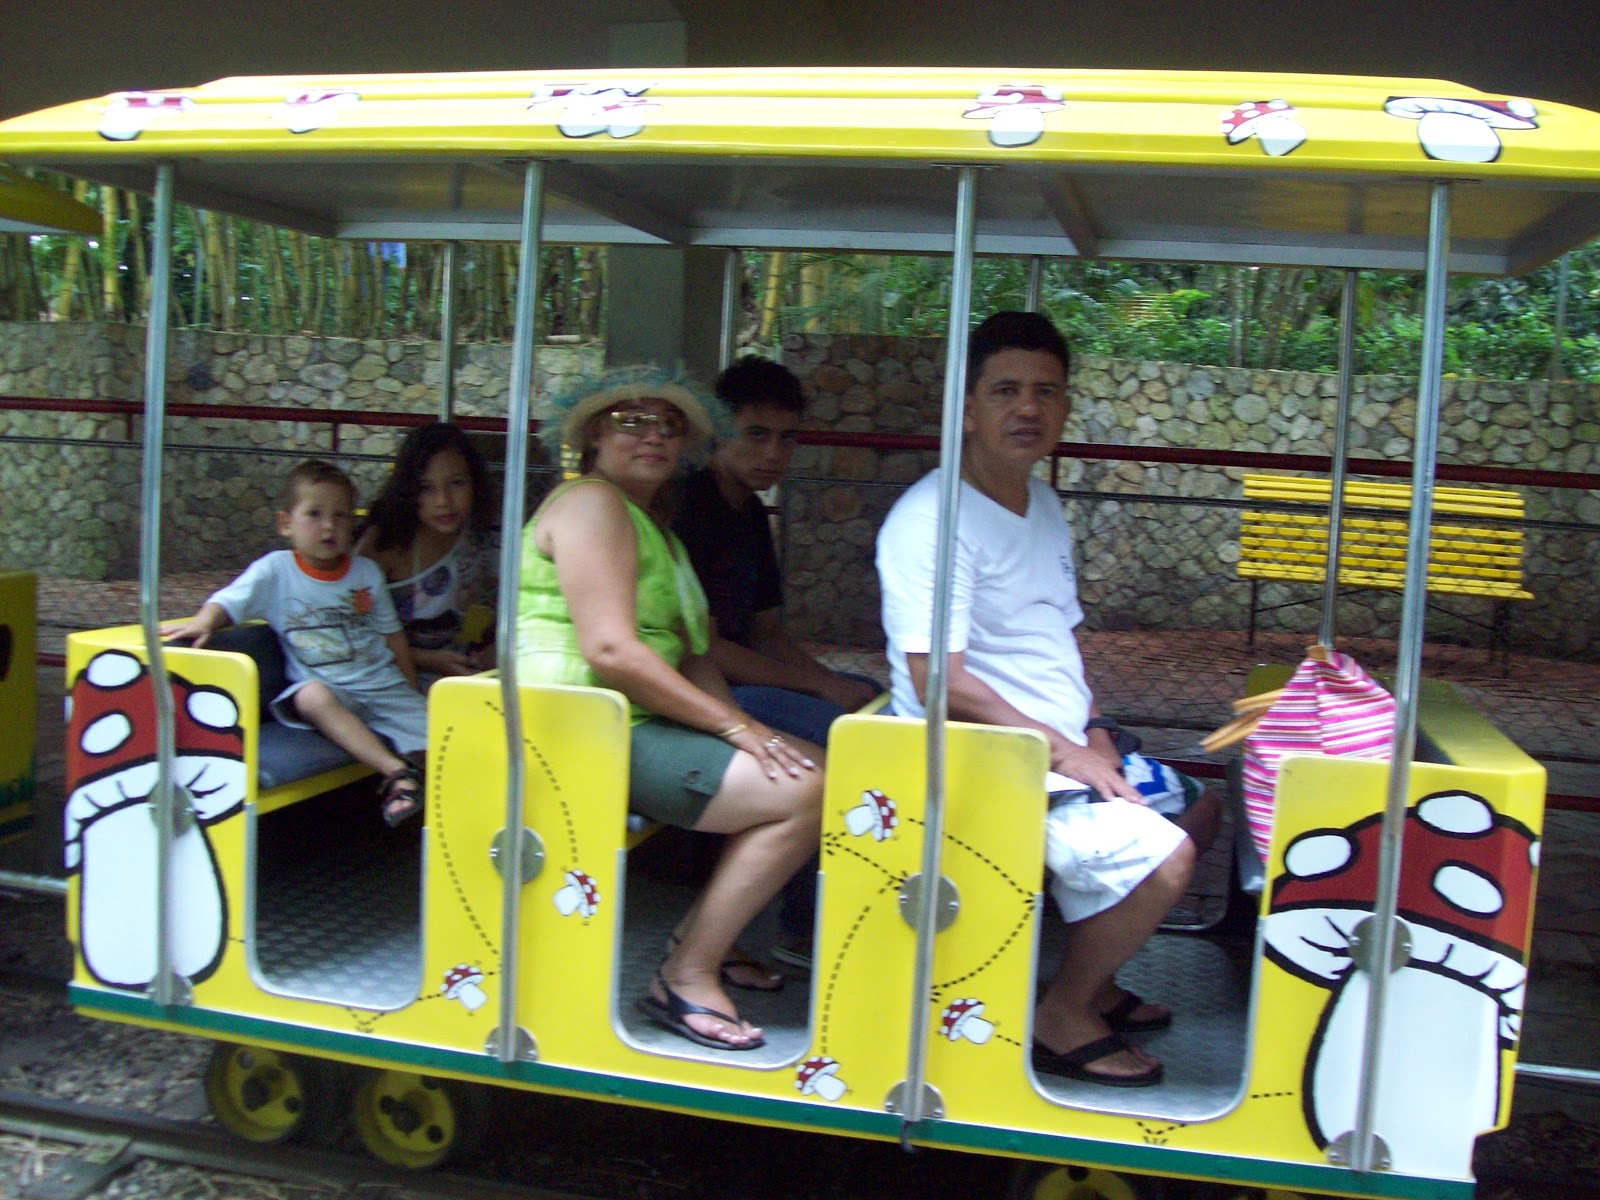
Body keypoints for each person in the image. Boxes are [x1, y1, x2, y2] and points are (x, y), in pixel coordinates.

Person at [876, 311, 1218, 1088]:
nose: (1026, 408)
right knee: (1168, 859)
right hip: (979, 762)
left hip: (1054, 751)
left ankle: (1089, 983)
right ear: (966, 408)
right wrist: (1067, 751)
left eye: (1045, 391)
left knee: (1198, 804)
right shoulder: (933, 520)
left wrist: (1094, 733)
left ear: (1065, 406)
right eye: (1005, 391)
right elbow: (939, 680)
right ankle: (1062, 1013)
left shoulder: (1040, 503)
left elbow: (1056, 645)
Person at [518, 364, 824, 1052]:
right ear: (594, 436)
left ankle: (715, 944)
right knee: (809, 791)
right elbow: (611, 651)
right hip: (576, 729)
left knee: (808, 766)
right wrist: (735, 726)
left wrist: (758, 735)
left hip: (623, 722)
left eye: (668, 425)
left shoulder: (653, 529)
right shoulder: (591, 505)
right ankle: (686, 971)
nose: (652, 436)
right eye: (631, 422)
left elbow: (694, 656)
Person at [672, 356, 880, 974]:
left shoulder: (752, 515)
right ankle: (805, 924)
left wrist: (841, 683)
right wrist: (821, 686)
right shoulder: (693, 507)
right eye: (756, 434)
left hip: (740, 678)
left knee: (870, 700)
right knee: (838, 739)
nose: (773, 453)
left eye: (787, 437)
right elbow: (705, 648)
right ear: (716, 430)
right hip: (701, 692)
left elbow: (767, 632)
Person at [165, 460, 428, 827]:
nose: (329, 526)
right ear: (285, 523)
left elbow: (392, 635)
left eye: (341, 516)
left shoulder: (366, 573)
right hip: (328, 692)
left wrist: (410, 690)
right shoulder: (275, 570)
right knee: (309, 696)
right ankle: (398, 775)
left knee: (448, 737)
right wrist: (204, 622)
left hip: (382, 686)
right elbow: (228, 601)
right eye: (315, 514)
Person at [356, 422, 497, 687]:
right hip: (392, 678)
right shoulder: (386, 542)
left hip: (464, 674)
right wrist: (426, 659)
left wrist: (491, 649)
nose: (443, 500)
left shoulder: (484, 535)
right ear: (409, 491)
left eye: (456, 483)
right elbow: (350, 632)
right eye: (427, 488)